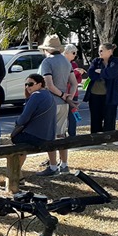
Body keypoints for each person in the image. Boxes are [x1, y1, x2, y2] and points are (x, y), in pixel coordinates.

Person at [36, 34, 77, 176]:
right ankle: (64, 165)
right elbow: (74, 83)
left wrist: (61, 95)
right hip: (64, 104)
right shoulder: (66, 61)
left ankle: (53, 167)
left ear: (46, 49)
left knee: (50, 135)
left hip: (50, 103)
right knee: (61, 134)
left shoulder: (47, 62)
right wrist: (68, 97)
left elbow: (48, 84)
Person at [10, 73, 57, 168]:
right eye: (26, 85)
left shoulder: (36, 95)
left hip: (37, 138)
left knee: (15, 138)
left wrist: (16, 123)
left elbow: (23, 119)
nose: (27, 87)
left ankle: (16, 171)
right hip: (49, 137)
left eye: (30, 84)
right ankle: (18, 171)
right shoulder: (49, 94)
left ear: (40, 84)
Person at [84, 42, 118, 133]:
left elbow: (112, 73)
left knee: (109, 120)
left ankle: (109, 138)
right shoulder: (96, 61)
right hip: (95, 96)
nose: (99, 53)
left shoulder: (116, 61)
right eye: (99, 51)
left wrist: (100, 71)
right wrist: (104, 74)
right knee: (95, 120)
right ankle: (95, 138)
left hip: (110, 96)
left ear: (109, 51)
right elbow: (91, 74)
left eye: (101, 51)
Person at [63, 44, 85, 138]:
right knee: (62, 115)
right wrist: (75, 72)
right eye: (73, 53)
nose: (75, 55)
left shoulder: (74, 64)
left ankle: (72, 134)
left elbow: (77, 81)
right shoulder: (61, 64)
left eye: (75, 53)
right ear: (66, 52)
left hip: (73, 93)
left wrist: (79, 73)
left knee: (73, 114)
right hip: (63, 93)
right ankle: (62, 134)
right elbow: (64, 78)